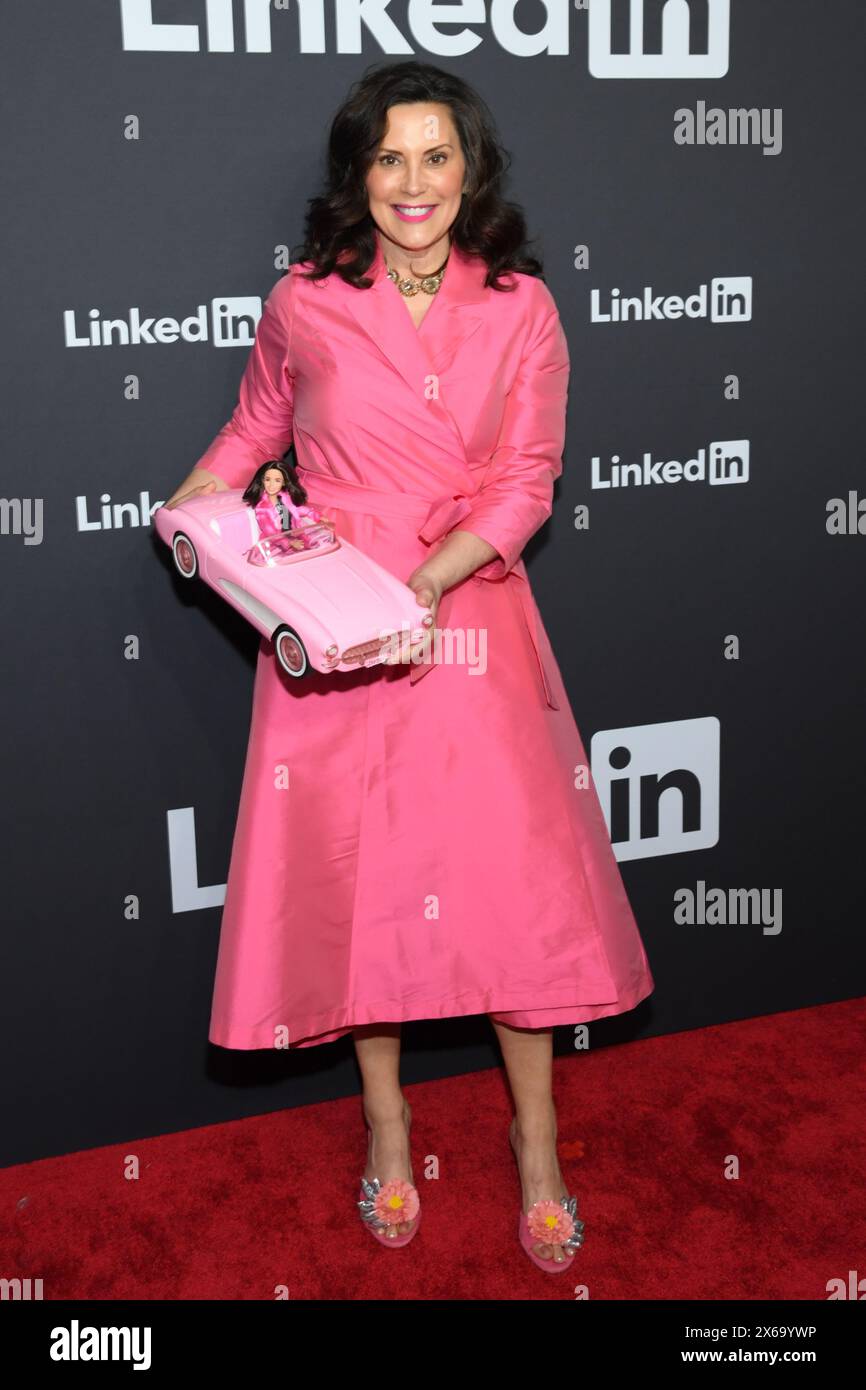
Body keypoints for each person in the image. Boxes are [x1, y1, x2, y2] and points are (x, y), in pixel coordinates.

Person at [163, 60, 654, 1271]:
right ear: (358, 174)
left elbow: (526, 479)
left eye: (437, 156)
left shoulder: (522, 308)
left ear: (470, 168)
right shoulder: (305, 300)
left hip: (462, 610)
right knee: (362, 885)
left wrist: (424, 582)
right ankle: (387, 1127)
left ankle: (533, 1140)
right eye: (389, 157)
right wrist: (196, 503)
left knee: (512, 892)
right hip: (332, 627)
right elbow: (254, 423)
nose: (414, 182)